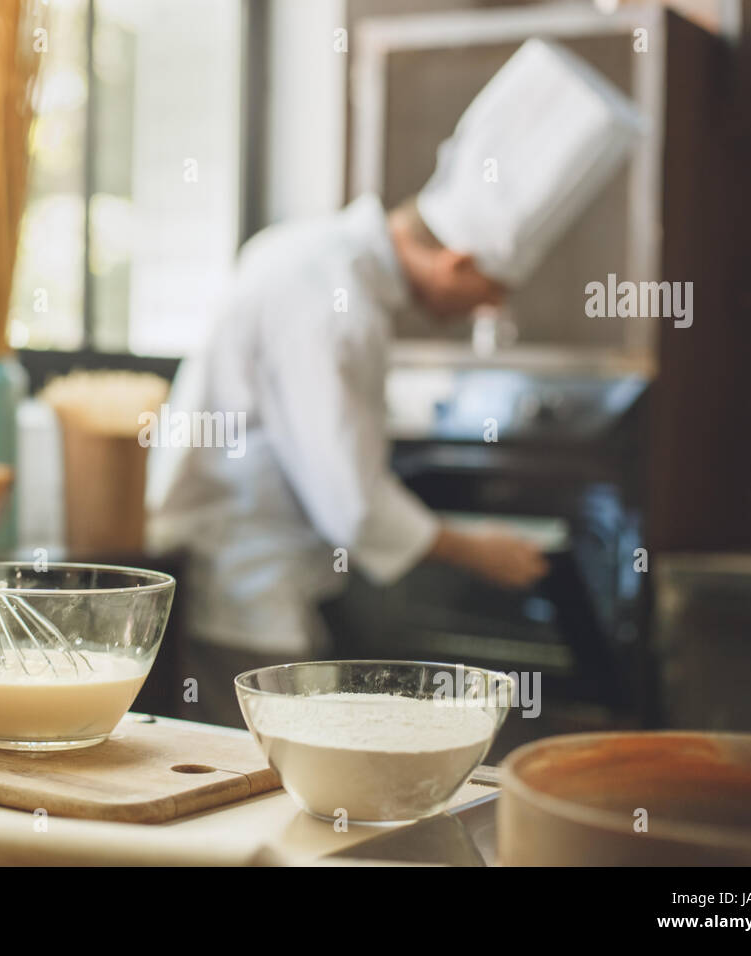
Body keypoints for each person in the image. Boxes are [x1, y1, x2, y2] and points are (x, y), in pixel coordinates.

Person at [146, 39, 642, 726]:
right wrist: (480, 551)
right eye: (491, 290)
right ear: (459, 260)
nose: (488, 310)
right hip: (246, 594)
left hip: (264, 587)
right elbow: (350, 505)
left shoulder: (315, 259)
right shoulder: (330, 299)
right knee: (259, 801)